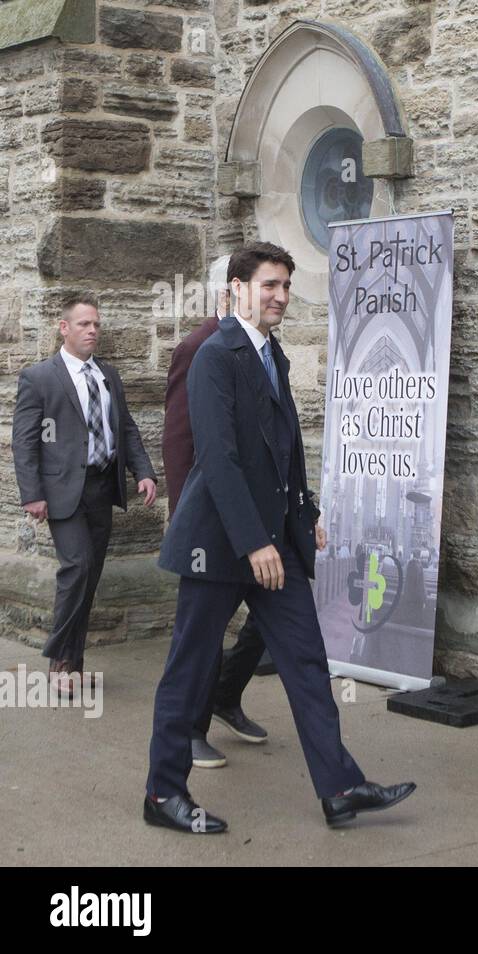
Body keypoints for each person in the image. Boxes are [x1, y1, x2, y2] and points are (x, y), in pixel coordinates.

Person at [144, 242, 414, 834]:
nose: (281, 297)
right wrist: (253, 543)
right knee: (189, 671)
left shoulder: (273, 354)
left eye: (286, 287)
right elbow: (218, 458)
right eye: (270, 285)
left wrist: (304, 512)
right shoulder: (215, 354)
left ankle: (340, 787)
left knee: (306, 662)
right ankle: (164, 794)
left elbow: (283, 450)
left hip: (273, 541)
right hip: (220, 545)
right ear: (238, 288)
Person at [12, 292, 158, 696]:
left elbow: (125, 429)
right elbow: (24, 442)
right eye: (84, 324)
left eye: (96, 324)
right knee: (76, 567)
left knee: (89, 575)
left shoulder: (108, 375)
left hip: (101, 486)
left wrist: (143, 472)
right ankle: (60, 658)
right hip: (61, 492)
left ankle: (74, 662)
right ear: (64, 328)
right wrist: (32, 494)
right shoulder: (40, 377)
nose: (93, 330)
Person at [162, 255, 272, 771]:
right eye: (262, 285)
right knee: (201, 632)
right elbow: (184, 442)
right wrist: (192, 522)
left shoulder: (261, 350)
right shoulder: (199, 349)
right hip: (211, 522)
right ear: (228, 293)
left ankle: (225, 696)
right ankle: (188, 732)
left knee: (273, 618)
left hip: (255, 519)